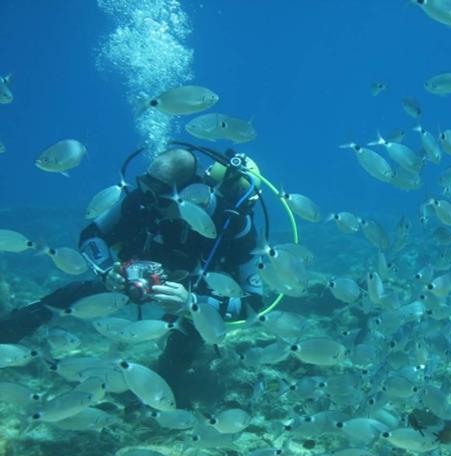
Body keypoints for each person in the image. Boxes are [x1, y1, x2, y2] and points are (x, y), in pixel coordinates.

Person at [0, 145, 267, 406]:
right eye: (145, 186)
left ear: (186, 193)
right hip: (129, 277)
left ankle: (159, 408)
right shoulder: (141, 200)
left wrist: (193, 303)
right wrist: (106, 270)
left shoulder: (235, 229)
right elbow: (92, 235)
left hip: (189, 298)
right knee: (71, 295)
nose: (148, 199)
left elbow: (254, 303)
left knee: (180, 352)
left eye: (158, 193)